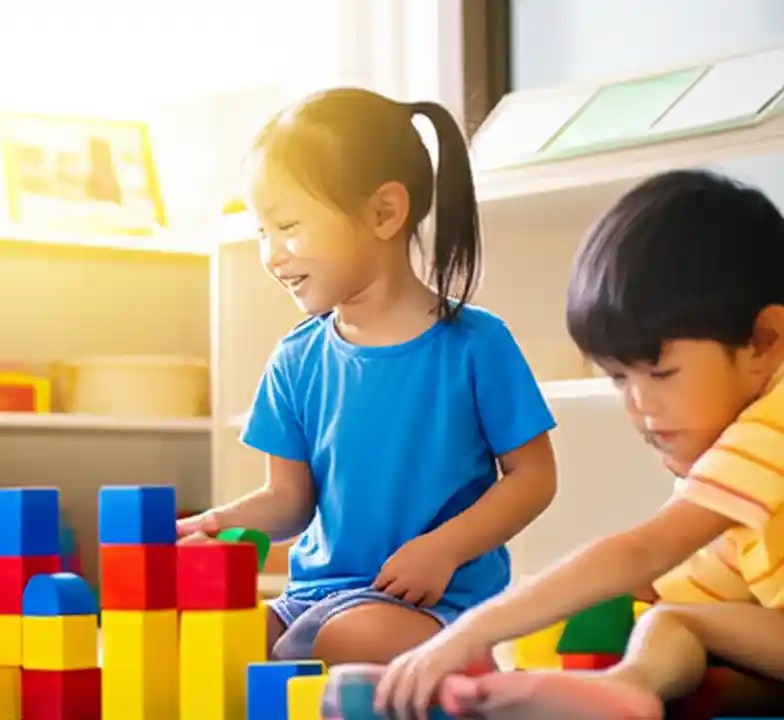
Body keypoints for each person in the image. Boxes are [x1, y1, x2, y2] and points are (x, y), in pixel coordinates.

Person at [372, 169, 784, 720]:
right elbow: (666, 581)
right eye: (618, 378)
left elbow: (642, 553)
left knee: (670, 626)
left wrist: (471, 631)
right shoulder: (737, 460)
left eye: (661, 374)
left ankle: (628, 686)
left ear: (764, 341)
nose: (639, 404)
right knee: (658, 626)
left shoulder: (772, 424)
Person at [175, 87, 558, 665]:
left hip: (434, 603)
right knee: (208, 645)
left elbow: (533, 478)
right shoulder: (296, 359)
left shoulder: (477, 346)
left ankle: (472, 665)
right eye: (261, 233)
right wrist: (222, 521)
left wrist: (444, 549)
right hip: (312, 598)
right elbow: (289, 500)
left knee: (347, 643)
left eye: (288, 225)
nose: (273, 255)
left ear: (384, 213)